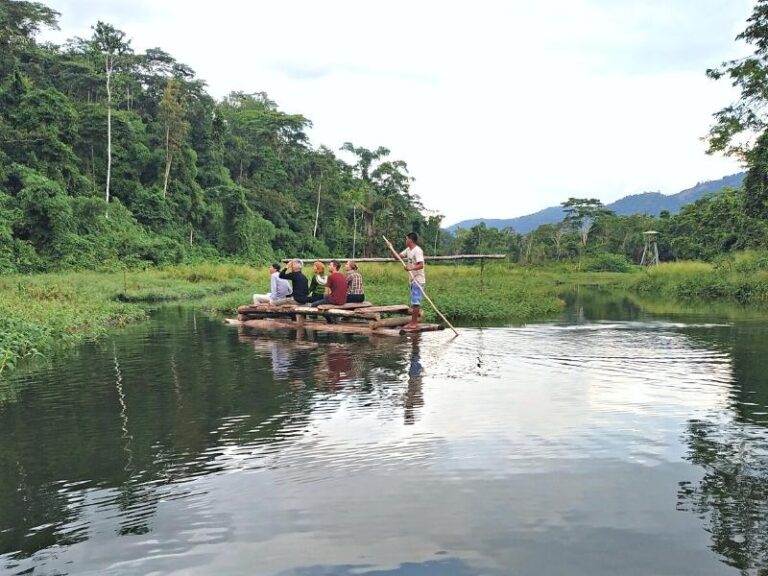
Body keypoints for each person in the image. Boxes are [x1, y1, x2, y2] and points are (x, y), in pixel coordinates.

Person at [397, 232, 425, 330]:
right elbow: (397, 257)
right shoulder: (408, 250)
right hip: (412, 280)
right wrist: (390, 247)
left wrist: (411, 268)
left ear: (410, 240)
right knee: (413, 302)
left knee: (415, 302)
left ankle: (414, 323)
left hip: (418, 280)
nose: (405, 240)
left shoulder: (417, 251)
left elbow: (421, 265)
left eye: (406, 239)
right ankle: (413, 322)